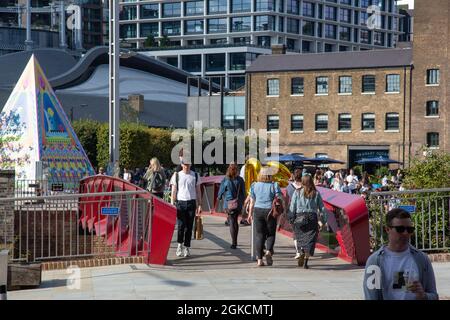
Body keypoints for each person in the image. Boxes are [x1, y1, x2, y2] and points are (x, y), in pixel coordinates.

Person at [363, 208, 438, 300]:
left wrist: (424, 296)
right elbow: (371, 297)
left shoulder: (422, 259)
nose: (405, 233)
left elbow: (434, 295)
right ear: (387, 229)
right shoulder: (375, 261)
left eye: (410, 229)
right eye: (400, 229)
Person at [248, 166, 285, 267]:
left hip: (258, 210)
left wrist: (249, 214)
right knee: (271, 234)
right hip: (270, 211)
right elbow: (280, 197)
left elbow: (252, 201)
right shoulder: (274, 185)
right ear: (270, 175)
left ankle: (259, 260)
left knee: (259, 235)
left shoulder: (254, 185)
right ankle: (268, 250)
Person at [289, 174, 328, 269]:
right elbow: (322, 208)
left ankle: (301, 251)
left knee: (300, 238)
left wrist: (291, 219)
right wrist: (324, 220)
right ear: (311, 181)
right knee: (310, 241)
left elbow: (292, 207)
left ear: (302, 181)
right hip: (312, 218)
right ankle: (306, 262)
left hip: (299, 218)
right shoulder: (316, 193)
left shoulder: (297, 192)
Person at [170, 160, 202, 258]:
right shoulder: (177, 175)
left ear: (190, 164)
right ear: (181, 164)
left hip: (191, 202)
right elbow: (174, 191)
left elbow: (198, 191)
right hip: (180, 203)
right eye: (184, 164)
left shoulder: (195, 175)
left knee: (189, 227)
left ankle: (187, 247)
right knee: (181, 225)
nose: (186, 166)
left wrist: (200, 204)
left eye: (188, 164)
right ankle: (179, 245)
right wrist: (172, 203)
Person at [217, 162, 246, 249]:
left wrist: (219, 198)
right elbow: (243, 193)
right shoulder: (240, 180)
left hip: (229, 204)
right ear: (237, 170)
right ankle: (235, 241)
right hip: (238, 204)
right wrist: (243, 202)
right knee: (235, 221)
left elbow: (220, 192)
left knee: (232, 222)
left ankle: (234, 243)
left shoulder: (226, 179)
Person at [286, 169, 303, 259]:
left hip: (293, 212)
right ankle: (303, 249)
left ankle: (298, 252)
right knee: (304, 231)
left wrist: (285, 211)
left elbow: (286, 200)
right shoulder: (305, 186)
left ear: (294, 176)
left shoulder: (289, 187)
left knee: (295, 232)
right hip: (304, 211)